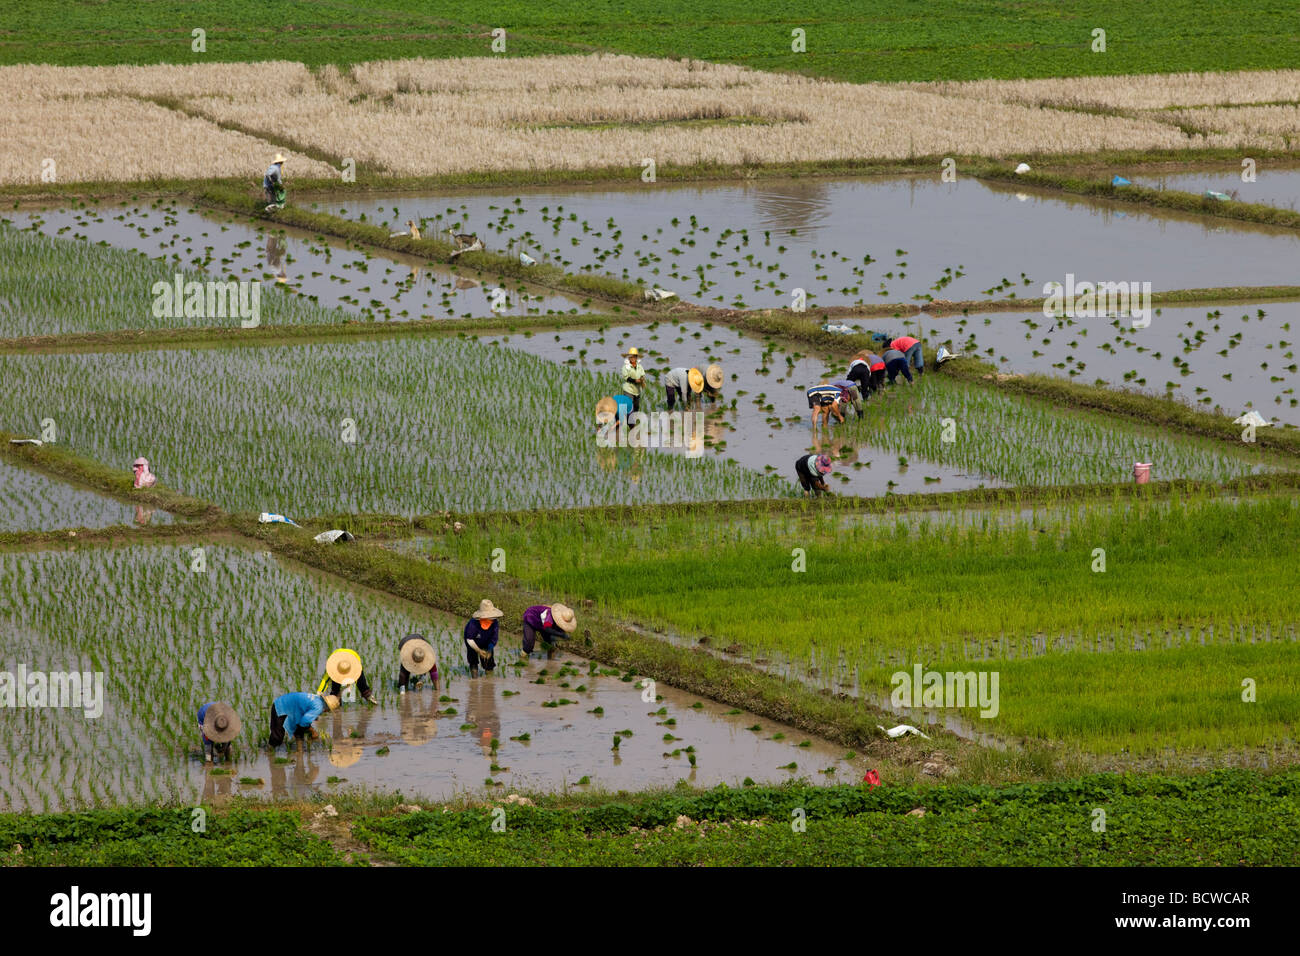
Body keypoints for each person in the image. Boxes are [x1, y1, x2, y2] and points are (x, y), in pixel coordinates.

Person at [268, 691, 338, 748]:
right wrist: (313, 732)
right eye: (329, 710)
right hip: (281, 706)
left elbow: (305, 710)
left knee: (299, 728)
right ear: (328, 708)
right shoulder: (319, 707)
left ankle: (299, 751)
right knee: (278, 736)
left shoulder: (317, 699)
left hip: (289, 705)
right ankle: (270, 752)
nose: (327, 711)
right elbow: (304, 722)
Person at [464, 599, 503, 676]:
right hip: (473, 642)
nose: (489, 621)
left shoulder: (494, 623)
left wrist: (489, 649)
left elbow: (494, 638)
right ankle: (474, 680)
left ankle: (489, 680)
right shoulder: (473, 624)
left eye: (490, 619)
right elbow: (470, 639)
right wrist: (478, 650)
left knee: (489, 661)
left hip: (486, 641)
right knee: (473, 660)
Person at [621, 347, 647, 414]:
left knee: (636, 407)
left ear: (636, 358)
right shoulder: (625, 367)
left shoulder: (640, 366)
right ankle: (627, 421)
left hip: (637, 390)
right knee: (629, 406)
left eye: (634, 357)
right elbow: (626, 378)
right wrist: (635, 381)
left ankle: (633, 422)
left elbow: (642, 375)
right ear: (629, 358)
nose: (633, 358)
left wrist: (642, 379)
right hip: (628, 390)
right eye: (631, 357)